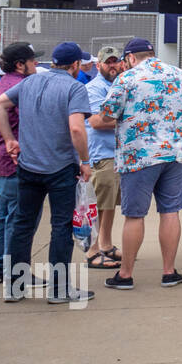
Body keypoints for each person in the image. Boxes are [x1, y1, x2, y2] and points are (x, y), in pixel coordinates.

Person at [87, 39, 182, 292]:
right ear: (152, 54)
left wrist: (96, 119)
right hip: (173, 155)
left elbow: (107, 117)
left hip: (138, 156)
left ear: (130, 58)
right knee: (170, 211)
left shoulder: (126, 79)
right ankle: (169, 272)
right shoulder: (181, 76)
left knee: (134, 215)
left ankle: (125, 275)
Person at [0, 41, 95, 303]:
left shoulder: (29, 82)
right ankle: (59, 290)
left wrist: (9, 140)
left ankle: (15, 287)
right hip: (60, 167)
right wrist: (84, 160)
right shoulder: (74, 87)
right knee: (60, 227)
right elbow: (76, 128)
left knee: (21, 225)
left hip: (28, 165)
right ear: (75, 65)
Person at [0, 44, 37, 283]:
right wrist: (11, 140)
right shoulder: (19, 87)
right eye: (33, 61)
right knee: (16, 220)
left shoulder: (3, 83)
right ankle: (15, 273)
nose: (36, 65)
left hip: (0, 161)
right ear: (20, 64)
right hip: (13, 162)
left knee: (2, 215)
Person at [84, 47, 124, 269]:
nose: (112, 66)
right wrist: (130, 121)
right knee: (99, 205)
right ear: (98, 65)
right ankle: (92, 251)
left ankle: (106, 245)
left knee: (110, 205)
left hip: (118, 155)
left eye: (115, 62)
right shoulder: (94, 89)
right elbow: (97, 122)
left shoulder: (118, 85)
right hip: (103, 155)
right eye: (107, 62)